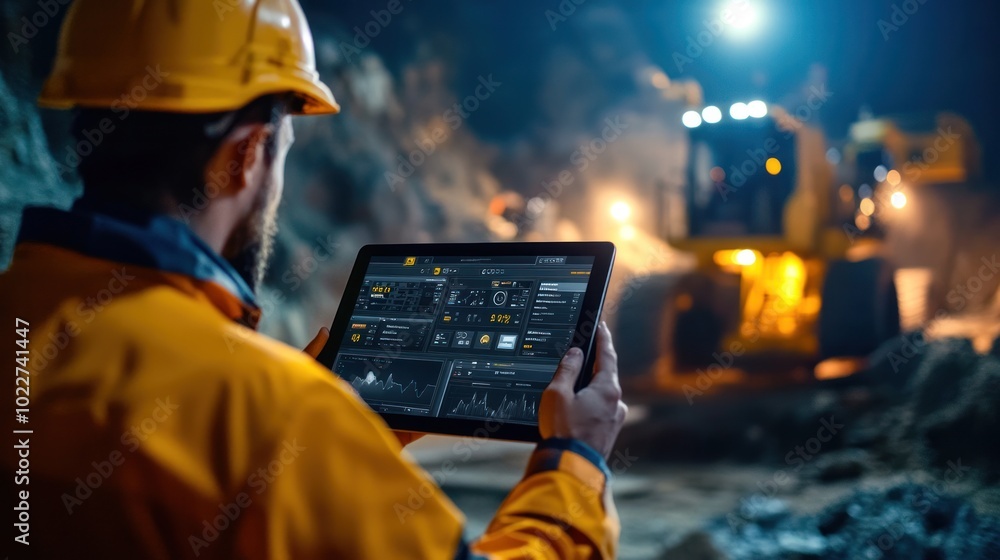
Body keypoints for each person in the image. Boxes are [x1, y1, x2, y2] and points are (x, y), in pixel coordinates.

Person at [0, 0, 628, 557]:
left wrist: (339, 440)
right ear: (247, 154)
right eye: (284, 148)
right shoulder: (278, 416)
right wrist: (575, 464)